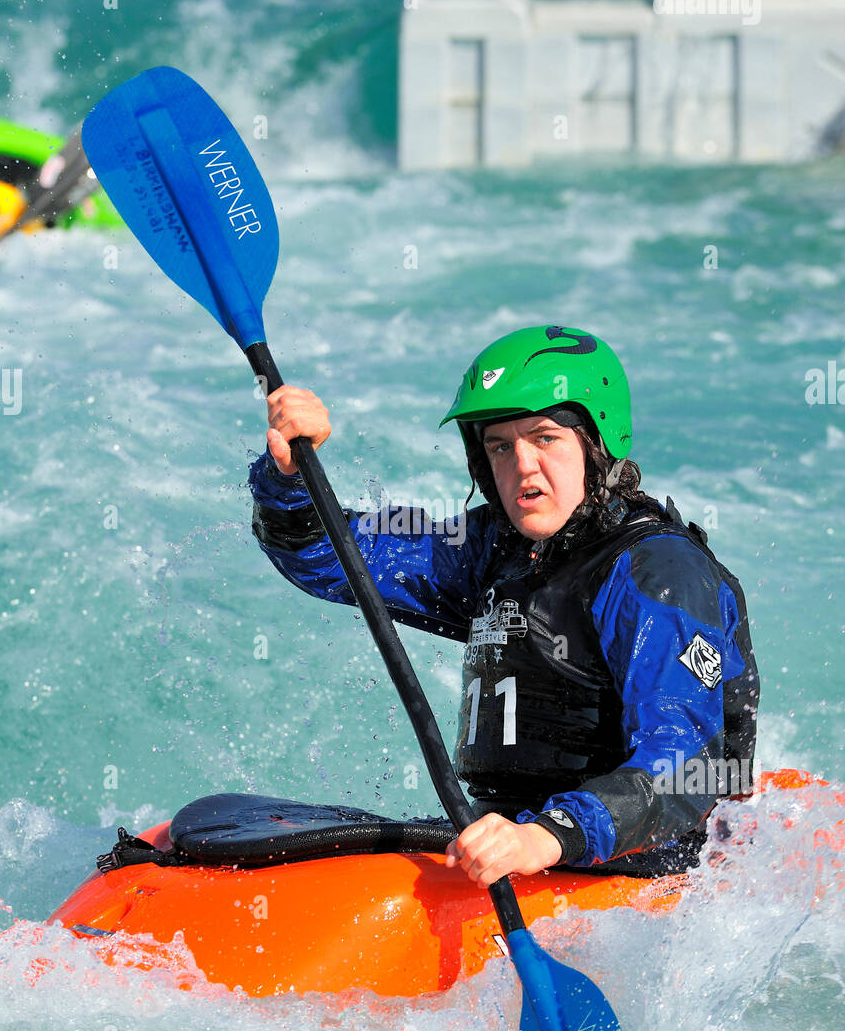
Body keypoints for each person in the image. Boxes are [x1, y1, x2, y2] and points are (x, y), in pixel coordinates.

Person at [248, 325, 759, 889]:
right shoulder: (494, 548)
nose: (522, 465)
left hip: (638, 865)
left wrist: (544, 837)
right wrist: (291, 475)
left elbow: (684, 766)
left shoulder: (658, 575)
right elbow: (327, 556)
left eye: (545, 438)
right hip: (508, 838)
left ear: (597, 444)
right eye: (500, 446)